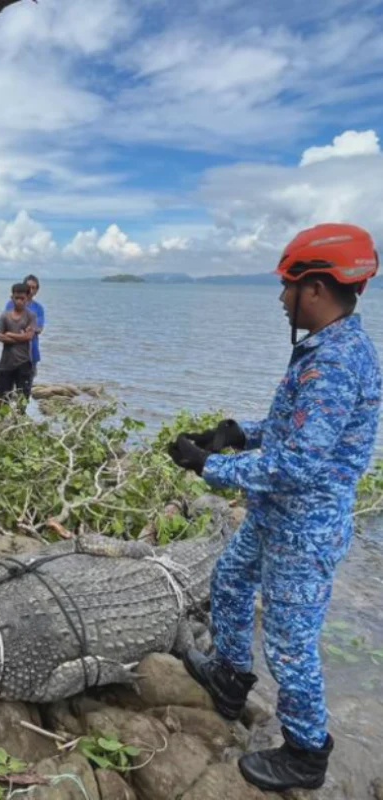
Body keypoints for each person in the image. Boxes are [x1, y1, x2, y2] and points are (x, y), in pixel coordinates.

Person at [168, 223, 381, 792]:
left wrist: (207, 466)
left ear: (315, 288)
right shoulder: (329, 348)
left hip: (303, 527)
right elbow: (295, 435)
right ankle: (232, 677)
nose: (281, 298)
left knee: (290, 643)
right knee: (232, 580)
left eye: (288, 286)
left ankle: (306, 754)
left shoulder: (335, 363)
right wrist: (238, 433)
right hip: (275, 514)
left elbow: (299, 466)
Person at [0, 282, 36, 403]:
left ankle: (20, 419)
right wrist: (20, 336)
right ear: (12, 297)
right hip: (6, 362)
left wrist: (10, 334)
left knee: (23, 398)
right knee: (1, 397)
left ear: (27, 299)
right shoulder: (5, 316)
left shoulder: (30, 316)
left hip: (24, 362)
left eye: (22, 298)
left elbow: (29, 337)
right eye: (16, 298)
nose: (19, 301)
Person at [5, 273, 45, 377]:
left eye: (34, 288)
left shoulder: (38, 308)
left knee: (27, 384)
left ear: (37, 290)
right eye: (28, 287)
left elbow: (39, 328)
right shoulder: (11, 304)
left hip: (31, 352)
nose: (31, 290)